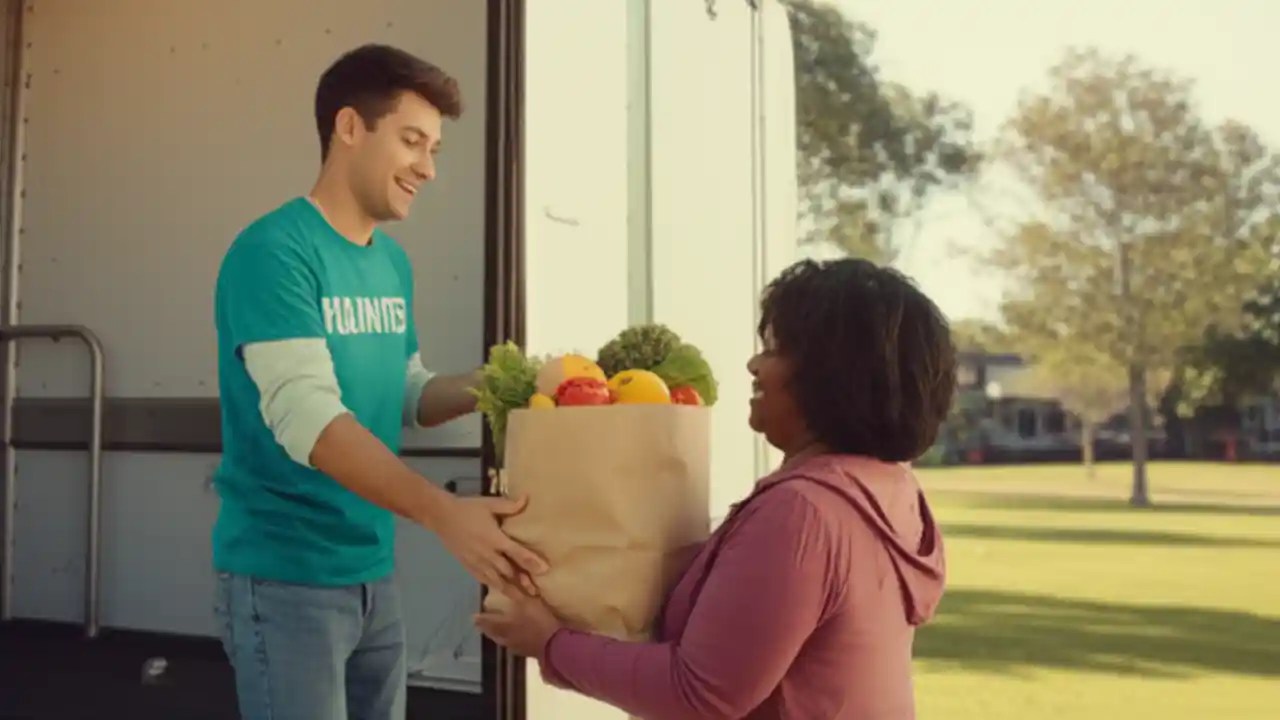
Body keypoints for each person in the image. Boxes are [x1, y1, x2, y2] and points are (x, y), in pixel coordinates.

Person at [211, 44, 547, 720]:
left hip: (372, 573)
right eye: (412, 141)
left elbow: (406, 393)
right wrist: (444, 514)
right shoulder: (275, 253)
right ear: (349, 127)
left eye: (434, 149)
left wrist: (504, 383)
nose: (427, 167)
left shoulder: (391, 264)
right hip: (286, 578)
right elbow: (309, 419)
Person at [475, 257, 955, 719]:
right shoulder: (891, 487)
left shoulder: (803, 512)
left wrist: (549, 642)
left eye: (774, 348)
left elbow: (701, 693)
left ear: (830, 376)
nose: (753, 364)